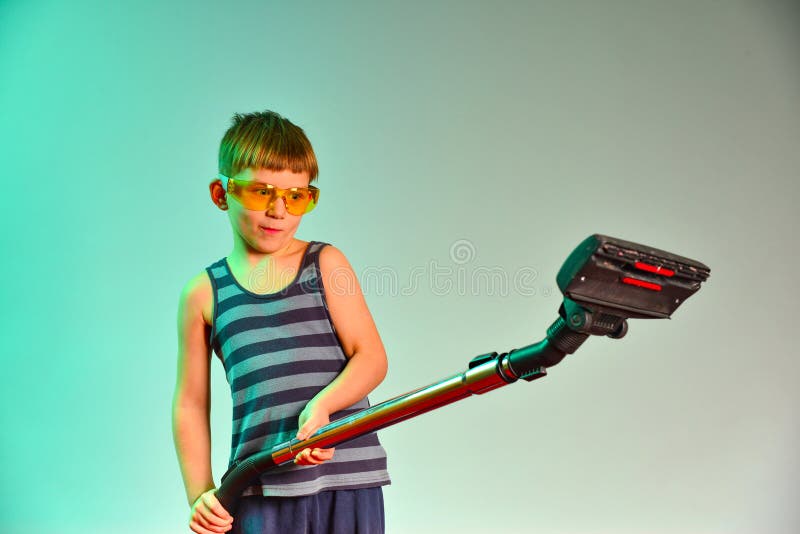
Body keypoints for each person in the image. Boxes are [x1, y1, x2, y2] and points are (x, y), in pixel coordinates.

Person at [172, 110, 391, 534]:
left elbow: (371, 358)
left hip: (347, 481)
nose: (278, 211)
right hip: (259, 488)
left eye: (296, 197)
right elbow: (191, 404)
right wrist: (200, 493)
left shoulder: (325, 263)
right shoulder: (203, 294)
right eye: (261, 193)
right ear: (221, 193)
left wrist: (321, 408)